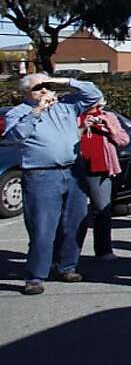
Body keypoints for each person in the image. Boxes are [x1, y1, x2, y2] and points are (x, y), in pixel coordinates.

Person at [4, 74, 103, 295]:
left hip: (72, 171)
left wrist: (63, 82)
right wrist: (37, 111)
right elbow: (15, 136)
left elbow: (94, 94)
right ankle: (36, 276)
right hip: (41, 175)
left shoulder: (66, 107)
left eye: (46, 87)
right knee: (43, 227)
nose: (43, 91)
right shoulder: (19, 112)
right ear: (26, 93)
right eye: (37, 88)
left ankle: (66, 266)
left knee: (75, 222)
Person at [76, 99, 130, 262]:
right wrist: (83, 126)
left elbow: (124, 140)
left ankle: (104, 250)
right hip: (77, 169)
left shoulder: (109, 116)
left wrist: (109, 127)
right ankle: (70, 254)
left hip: (102, 170)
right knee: (76, 214)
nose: (97, 106)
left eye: (99, 103)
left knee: (102, 211)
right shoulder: (73, 115)